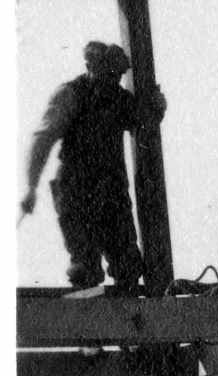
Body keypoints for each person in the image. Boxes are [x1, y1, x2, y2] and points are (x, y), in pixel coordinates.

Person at [20, 39, 162, 295]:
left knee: (128, 266)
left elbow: (144, 120)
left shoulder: (119, 99)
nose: (112, 81)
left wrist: (157, 108)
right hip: (77, 192)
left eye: (116, 76)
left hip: (111, 193)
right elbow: (43, 139)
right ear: (91, 68)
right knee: (84, 269)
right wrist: (31, 186)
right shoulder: (72, 95)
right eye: (108, 74)